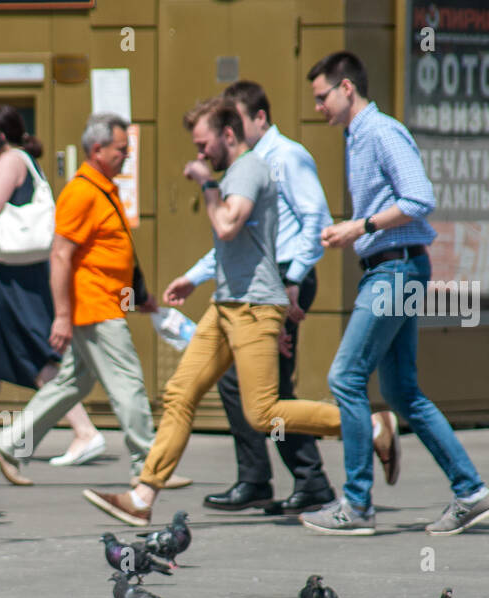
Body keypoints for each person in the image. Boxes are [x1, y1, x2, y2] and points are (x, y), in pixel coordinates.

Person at [84, 97, 361, 527]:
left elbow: (228, 224)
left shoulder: (248, 169)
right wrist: (195, 277)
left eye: (203, 144)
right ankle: (142, 497)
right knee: (180, 394)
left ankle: (365, 424)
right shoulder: (235, 173)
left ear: (227, 135)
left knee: (263, 412)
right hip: (227, 304)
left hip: (254, 307)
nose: (199, 155)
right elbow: (233, 247)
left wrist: (206, 184)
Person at [302, 51, 489, 535]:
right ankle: (470, 491)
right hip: (395, 269)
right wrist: (352, 232)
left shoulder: (381, 131)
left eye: (322, 97)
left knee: (346, 378)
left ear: (347, 88)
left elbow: (419, 198)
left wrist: (360, 226)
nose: (318, 108)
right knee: (401, 393)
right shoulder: (356, 136)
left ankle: (356, 505)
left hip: (395, 272)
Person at [177, 80, 337, 516]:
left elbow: (315, 220)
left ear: (259, 119)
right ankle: (261, 478)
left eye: (238, 122)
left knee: (267, 393)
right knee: (243, 388)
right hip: (264, 281)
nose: (230, 133)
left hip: (284, 279)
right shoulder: (243, 167)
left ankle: (308, 479)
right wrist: (194, 277)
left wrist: (295, 278)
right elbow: (234, 244)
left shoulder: (286, 157)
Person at [0, 112, 161, 487]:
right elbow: (60, 255)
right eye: (120, 149)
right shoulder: (81, 192)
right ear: (97, 149)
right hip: (95, 307)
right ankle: (149, 467)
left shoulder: (103, 187)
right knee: (128, 383)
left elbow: (116, 250)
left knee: (71, 384)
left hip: (104, 303)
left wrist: (138, 294)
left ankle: (10, 445)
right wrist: (61, 316)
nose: (126, 156)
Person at [0, 104, 102, 464]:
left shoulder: (11, 161)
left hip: (13, 271)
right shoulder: (21, 161)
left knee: (37, 349)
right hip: (6, 268)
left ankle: (84, 431)